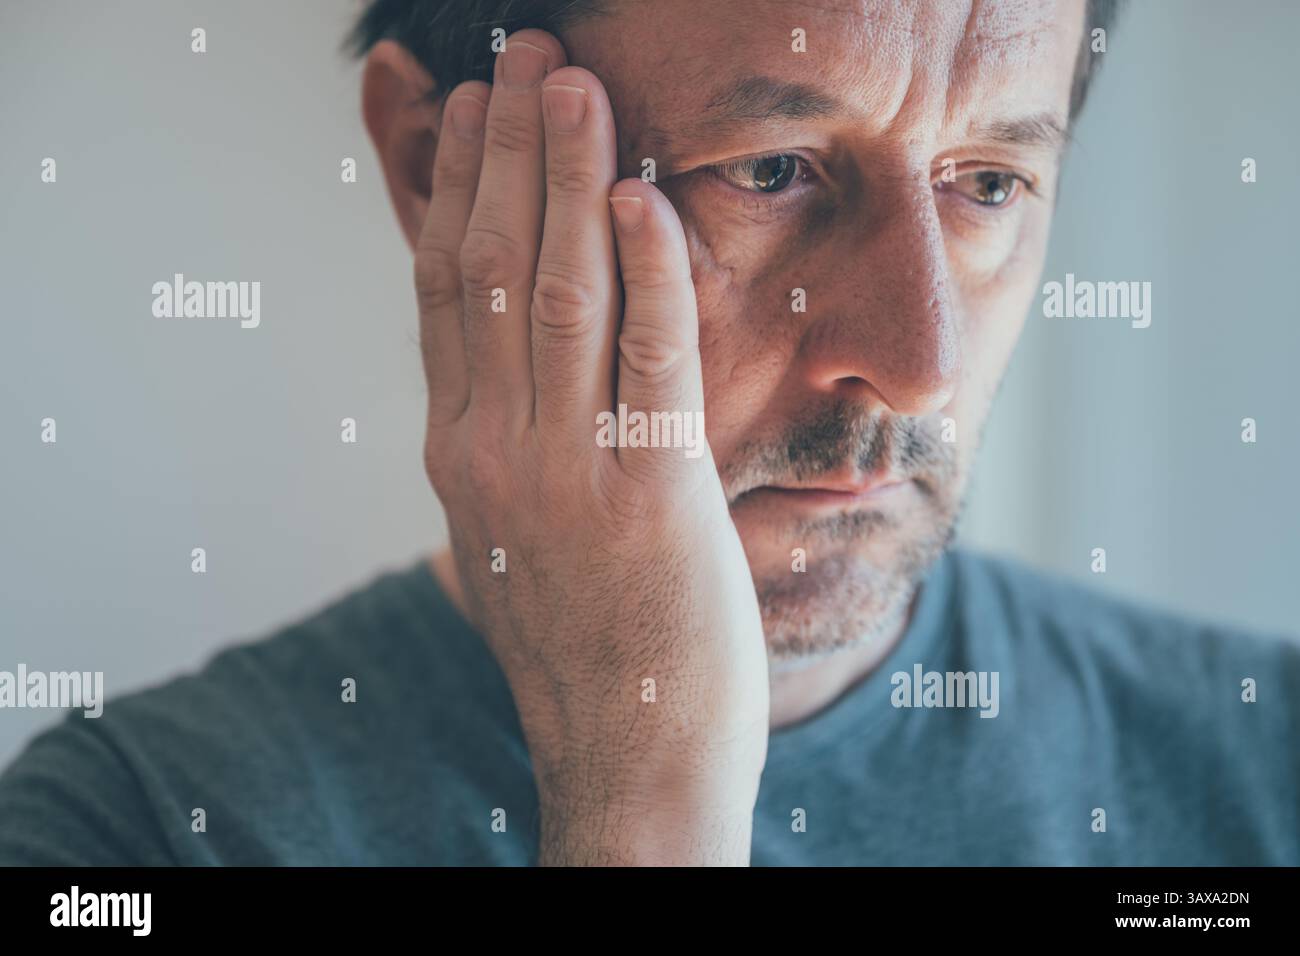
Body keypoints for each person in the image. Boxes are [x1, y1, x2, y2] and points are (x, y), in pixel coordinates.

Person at [2, 0, 1296, 866]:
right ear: (429, 166)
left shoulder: (1264, 764)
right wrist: (642, 808)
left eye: (991, 183)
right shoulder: (137, 835)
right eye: (774, 168)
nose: (920, 366)